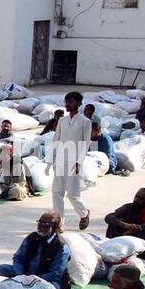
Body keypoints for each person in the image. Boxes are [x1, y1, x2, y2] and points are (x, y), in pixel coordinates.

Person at [0, 212, 73, 289]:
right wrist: (20, 275)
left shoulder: (61, 247)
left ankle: (25, 288)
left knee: (53, 288)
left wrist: (32, 280)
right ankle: (23, 285)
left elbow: (55, 274)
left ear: (54, 228)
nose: (41, 226)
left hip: (46, 280)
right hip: (26, 274)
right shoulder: (31, 238)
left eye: (46, 224)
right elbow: (18, 258)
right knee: (2, 268)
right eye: (40, 222)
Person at [50, 91, 91, 229]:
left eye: (71, 102)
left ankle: (84, 214)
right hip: (60, 161)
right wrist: (51, 160)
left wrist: (79, 162)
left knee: (73, 195)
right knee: (57, 193)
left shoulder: (85, 122)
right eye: (67, 101)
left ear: (79, 104)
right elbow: (56, 139)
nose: (68, 104)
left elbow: (86, 144)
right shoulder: (62, 120)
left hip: (74, 163)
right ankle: (58, 223)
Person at [104, 187, 145, 260]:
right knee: (113, 223)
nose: (136, 200)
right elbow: (109, 217)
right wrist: (125, 225)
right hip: (124, 235)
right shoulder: (128, 207)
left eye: (141, 199)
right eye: (136, 196)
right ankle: (111, 249)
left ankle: (143, 255)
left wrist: (136, 228)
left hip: (140, 238)